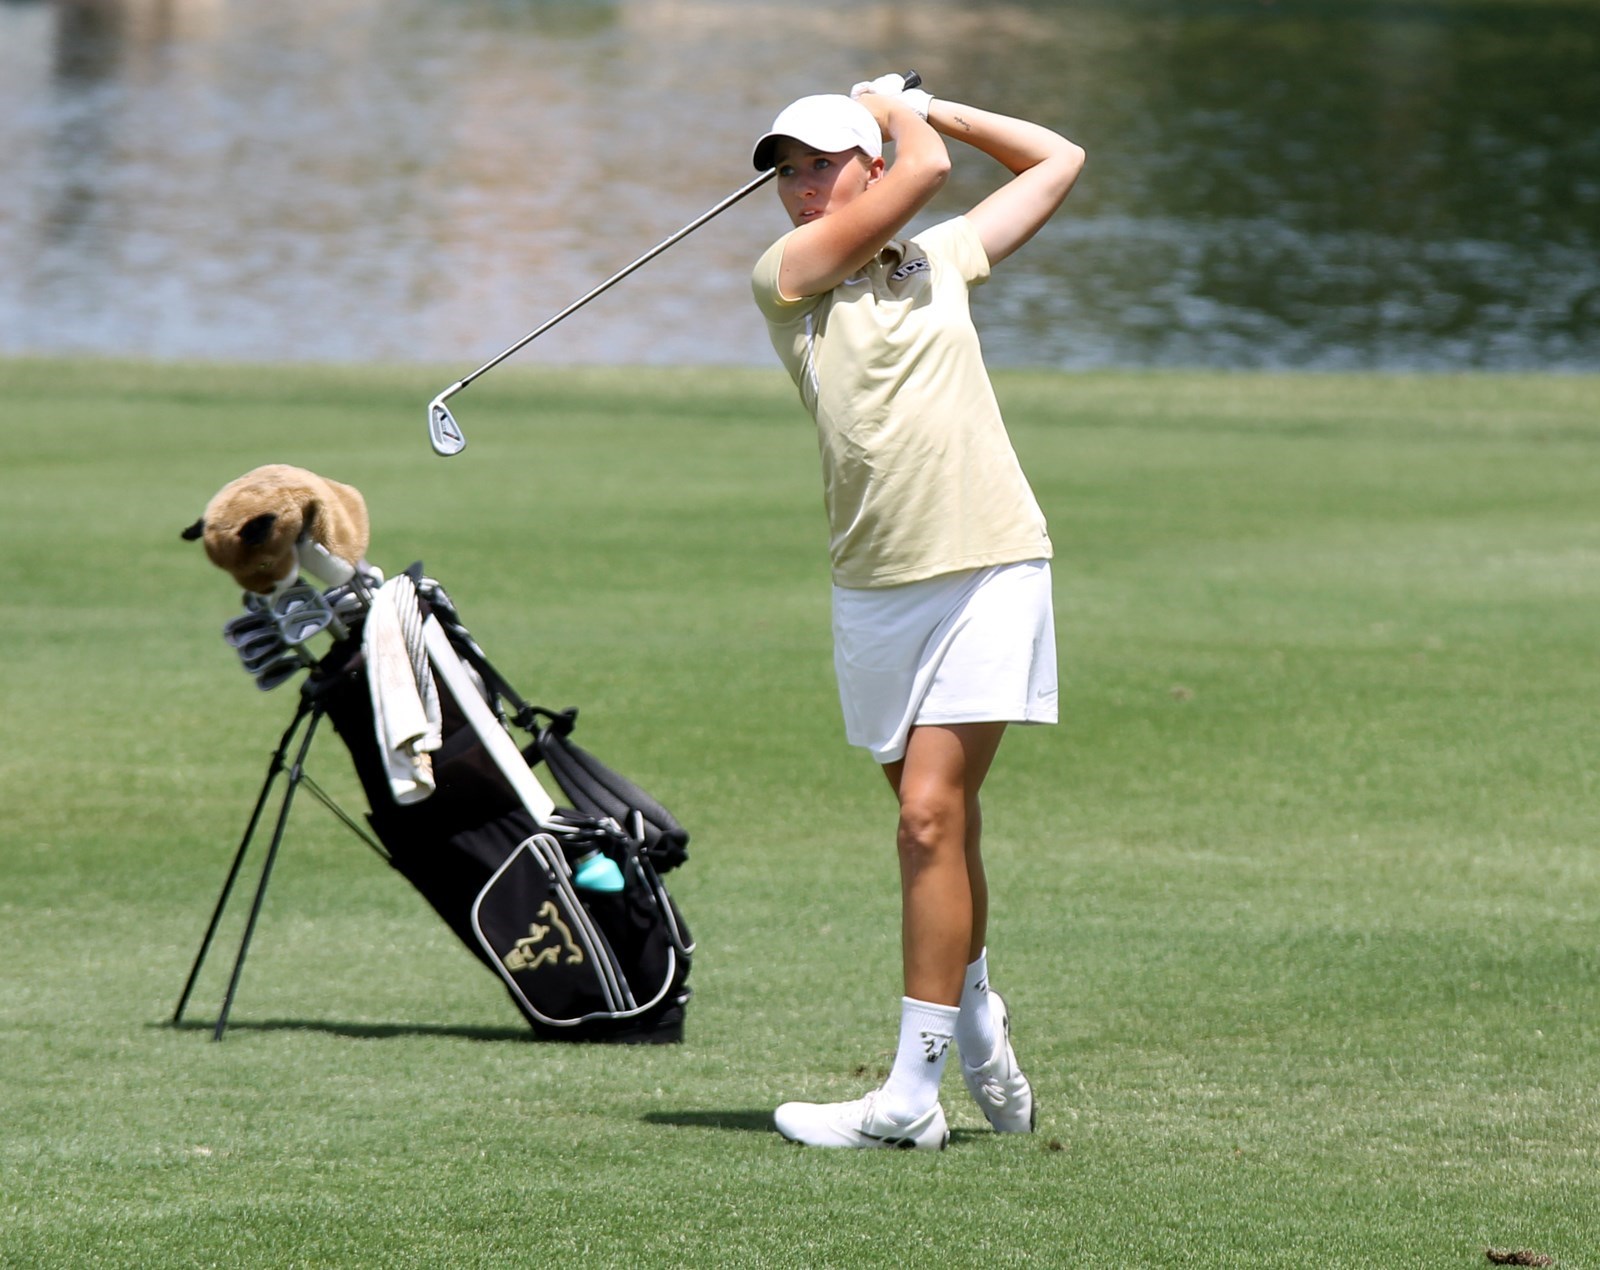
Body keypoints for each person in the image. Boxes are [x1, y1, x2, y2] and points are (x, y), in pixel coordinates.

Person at [749, 75, 1086, 1149]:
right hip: (874, 584)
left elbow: (1055, 160)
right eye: (786, 171)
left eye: (821, 164)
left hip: (988, 560)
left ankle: (907, 1096)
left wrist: (927, 108)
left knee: (928, 816)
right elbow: (924, 177)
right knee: (938, 828)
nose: (801, 190)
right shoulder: (786, 278)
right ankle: (975, 1011)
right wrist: (898, 125)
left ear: (870, 167)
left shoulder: (940, 255)